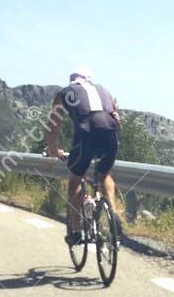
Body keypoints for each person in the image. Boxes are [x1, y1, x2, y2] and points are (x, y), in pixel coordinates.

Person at [45, 68, 121, 249]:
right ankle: (114, 216)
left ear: (73, 82)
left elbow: (53, 127)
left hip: (87, 131)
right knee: (104, 174)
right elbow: (117, 118)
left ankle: (77, 233)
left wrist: (53, 150)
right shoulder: (104, 90)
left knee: (75, 179)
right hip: (111, 131)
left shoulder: (64, 93)